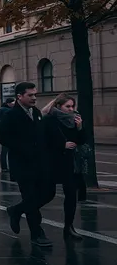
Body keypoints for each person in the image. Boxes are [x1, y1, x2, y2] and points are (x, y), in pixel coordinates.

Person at [0, 82, 55, 247]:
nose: (34, 98)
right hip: (22, 165)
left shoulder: (35, 112)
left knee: (48, 193)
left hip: (40, 163)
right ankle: (37, 233)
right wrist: (20, 147)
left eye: (35, 94)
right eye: (30, 95)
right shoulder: (11, 115)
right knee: (30, 197)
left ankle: (16, 210)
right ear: (19, 96)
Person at [41, 94, 86, 241]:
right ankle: (18, 210)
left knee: (71, 195)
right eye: (68, 106)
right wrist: (62, 145)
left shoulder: (74, 120)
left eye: (73, 106)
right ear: (59, 106)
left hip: (69, 163)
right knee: (47, 194)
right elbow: (43, 142)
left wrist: (79, 128)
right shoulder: (49, 119)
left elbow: (81, 141)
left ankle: (69, 227)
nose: (71, 109)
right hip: (53, 162)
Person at [0, 98, 15, 173]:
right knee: (8, 151)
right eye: (12, 103)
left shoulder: (2, 109)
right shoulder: (6, 110)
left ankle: (4, 167)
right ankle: (7, 167)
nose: (13, 104)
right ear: (8, 103)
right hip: (8, 134)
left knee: (5, 151)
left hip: (4, 134)